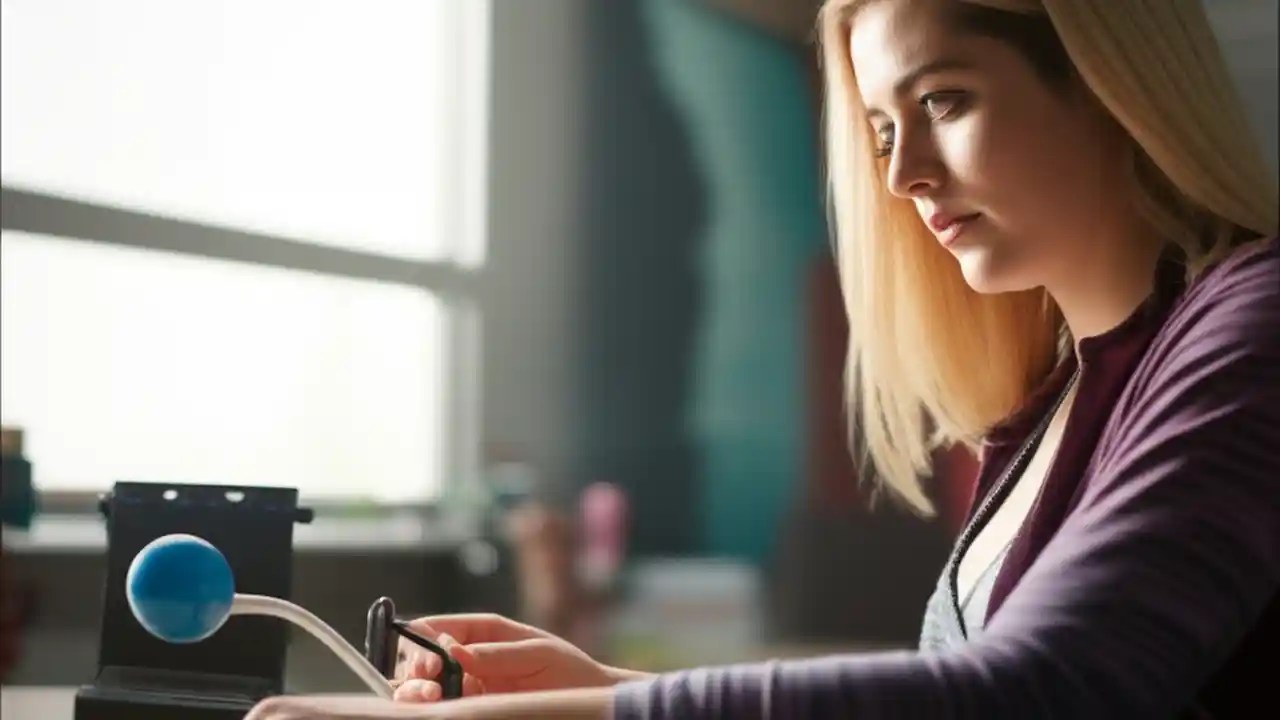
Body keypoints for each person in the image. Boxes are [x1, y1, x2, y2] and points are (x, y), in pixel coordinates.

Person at [246, 0, 1279, 717]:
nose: (904, 176)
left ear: (1104, 82)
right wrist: (598, 687)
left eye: (943, 101)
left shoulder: (1252, 326)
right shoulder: (1052, 404)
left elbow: (1034, 696)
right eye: (880, 130)